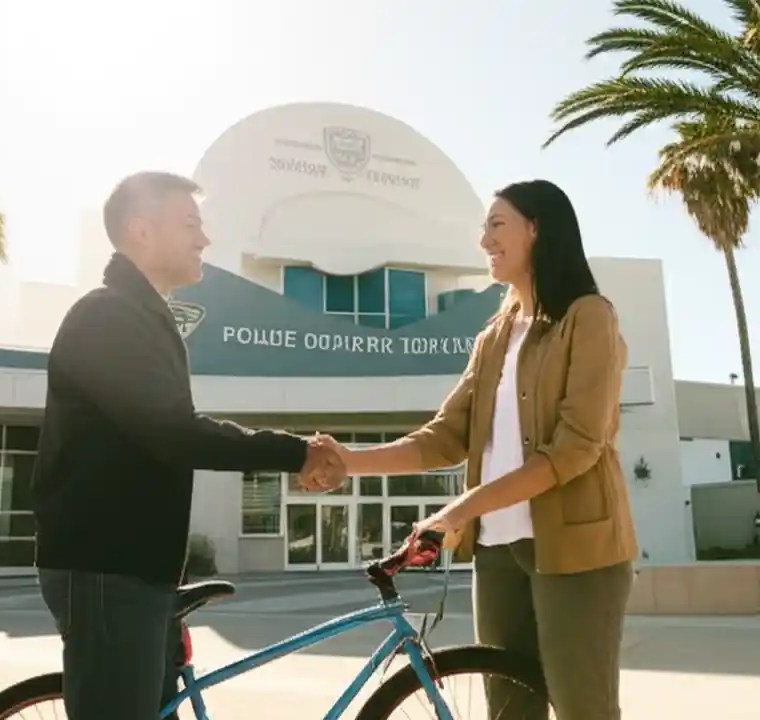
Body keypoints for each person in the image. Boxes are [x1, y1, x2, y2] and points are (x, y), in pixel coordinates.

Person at [31, 171, 344, 720]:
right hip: (107, 569)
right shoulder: (108, 317)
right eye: (191, 224)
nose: (204, 239)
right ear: (141, 233)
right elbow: (174, 432)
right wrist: (293, 452)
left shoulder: (142, 316)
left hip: (136, 572)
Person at [320, 179, 638, 720]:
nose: (484, 240)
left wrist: (459, 509)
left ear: (536, 229)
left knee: (584, 708)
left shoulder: (589, 317)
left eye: (497, 224)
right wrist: (348, 460)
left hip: (576, 552)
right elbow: (444, 436)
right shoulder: (495, 334)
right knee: (509, 711)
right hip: (497, 552)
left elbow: (576, 448)